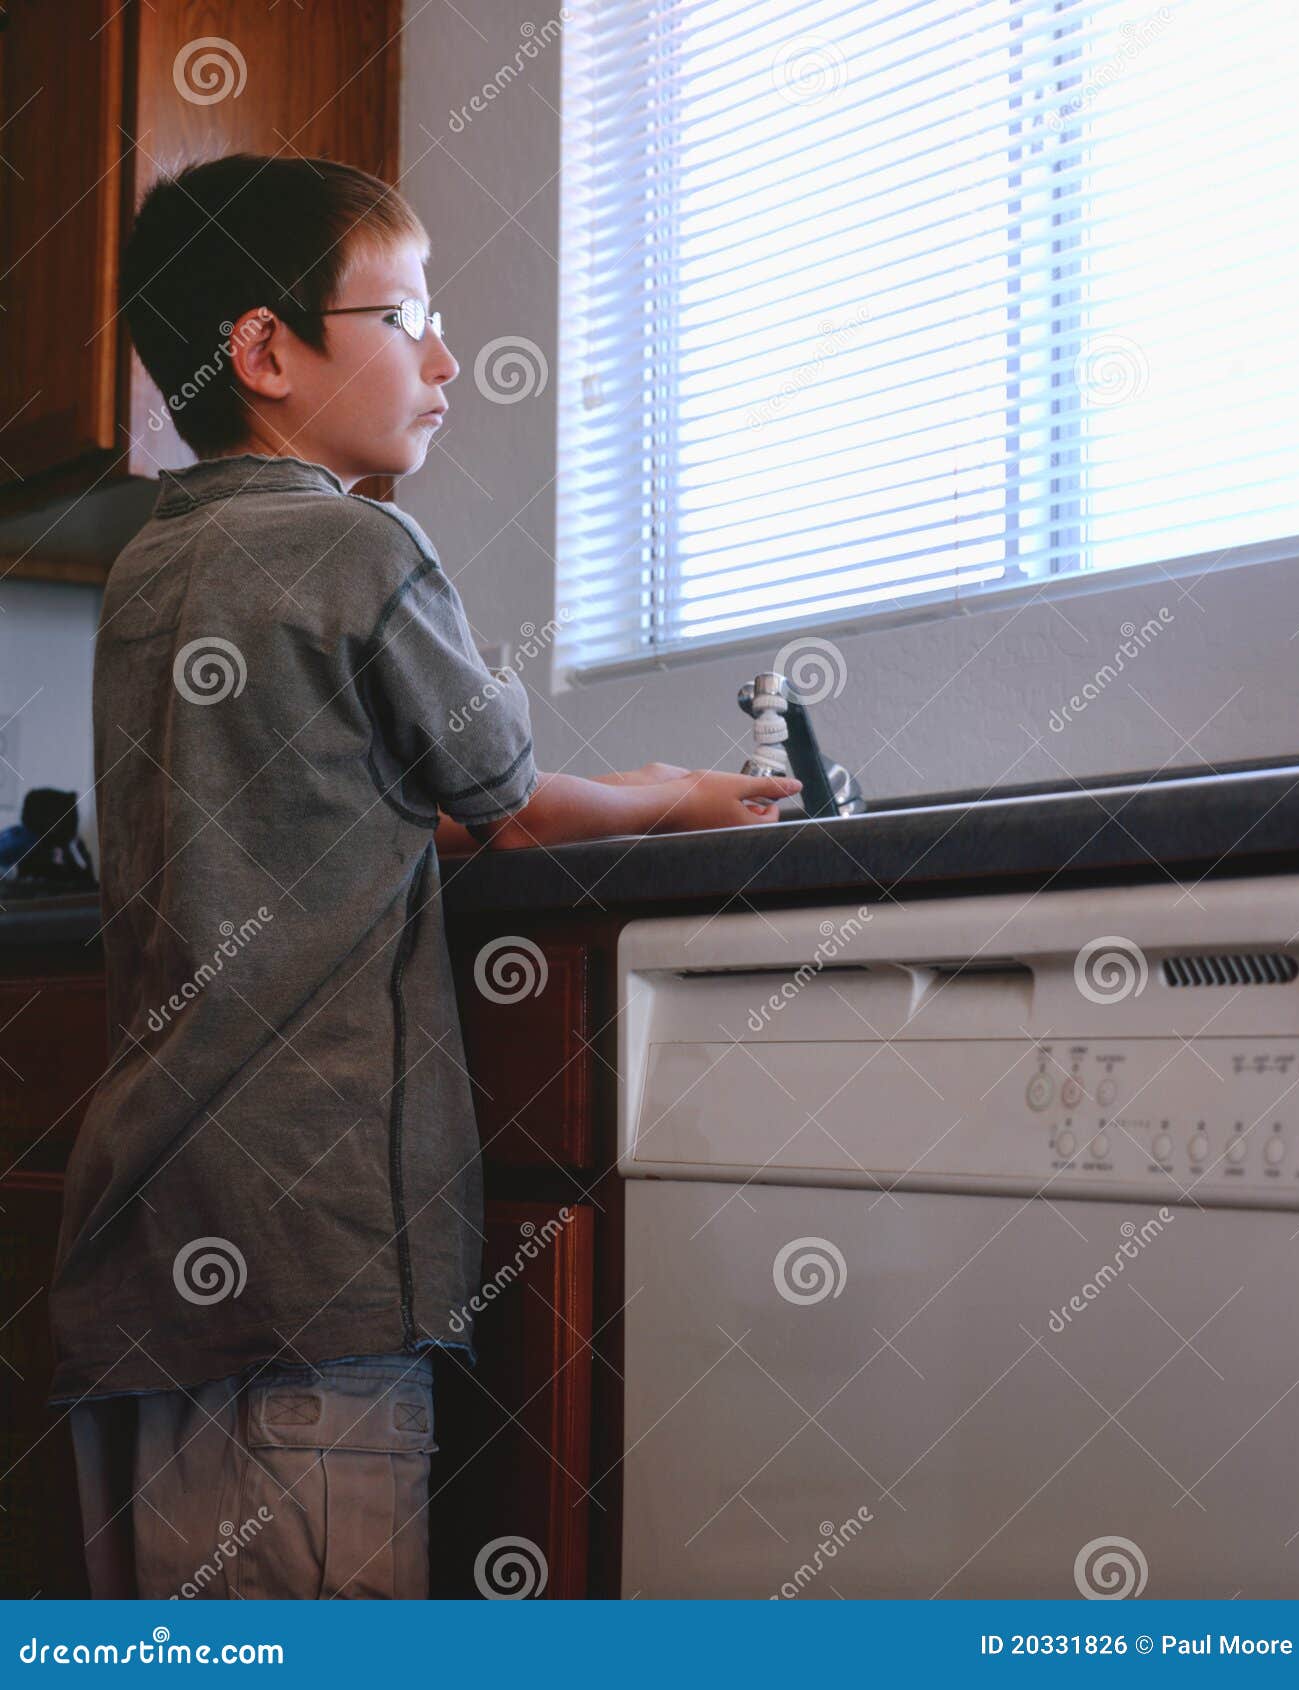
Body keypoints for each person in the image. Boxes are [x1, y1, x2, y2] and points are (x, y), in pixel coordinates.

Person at [47, 153, 801, 1600]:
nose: (445, 358)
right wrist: (662, 794)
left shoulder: (157, 565)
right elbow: (504, 801)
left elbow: (319, 808)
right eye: (402, 317)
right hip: (306, 1263)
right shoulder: (356, 541)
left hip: (143, 1253)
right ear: (265, 349)